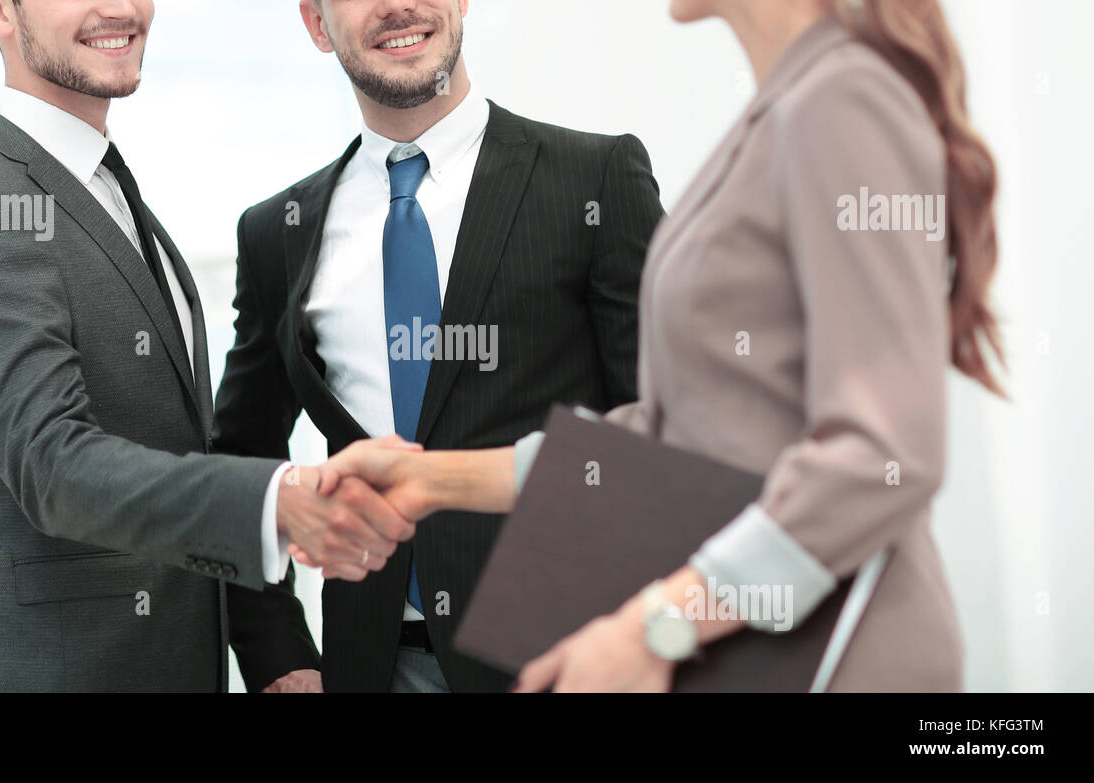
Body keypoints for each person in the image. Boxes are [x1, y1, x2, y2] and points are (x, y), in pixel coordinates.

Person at [316, 0, 1002, 692]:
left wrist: (658, 625)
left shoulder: (840, 100)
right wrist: (433, 481)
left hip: (843, 658)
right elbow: (668, 437)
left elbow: (883, 454)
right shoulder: (781, 114)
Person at [0, 0, 413, 692]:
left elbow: (179, 452)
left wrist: (272, 652)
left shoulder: (108, 191)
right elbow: (54, 466)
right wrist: (276, 501)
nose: (120, 9)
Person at [211, 0, 663, 692]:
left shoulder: (595, 179)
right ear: (315, 22)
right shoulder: (278, 231)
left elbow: (668, 432)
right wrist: (281, 654)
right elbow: (242, 460)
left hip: (571, 657)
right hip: (372, 663)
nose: (398, 6)